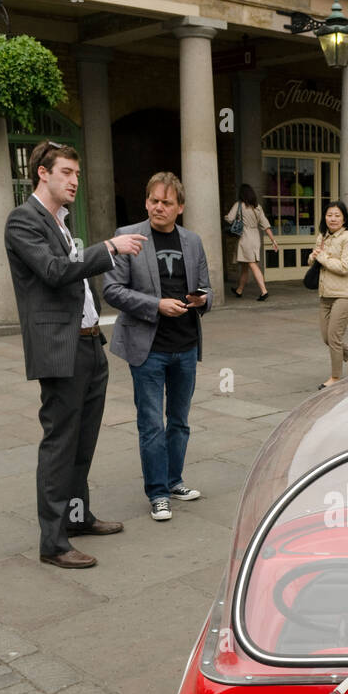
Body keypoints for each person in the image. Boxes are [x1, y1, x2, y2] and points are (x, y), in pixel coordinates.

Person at [4, 140, 145, 569]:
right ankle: (53, 542)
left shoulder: (63, 222)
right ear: (43, 173)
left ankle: (78, 517)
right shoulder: (23, 221)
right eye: (67, 172)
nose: (74, 181)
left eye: (78, 174)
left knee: (83, 441)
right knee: (60, 444)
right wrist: (109, 249)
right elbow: (52, 271)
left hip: (89, 342)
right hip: (60, 347)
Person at [103, 172, 211, 522]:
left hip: (185, 345)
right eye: (153, 200)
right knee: (151, 423)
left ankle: (174, 480)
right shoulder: (127, 237)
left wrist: (201, 300)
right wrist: (156, 305)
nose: (158, 207)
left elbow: (208, 290)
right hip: (147, 348)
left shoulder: (192, 241)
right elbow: (112, 290)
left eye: (166, 202)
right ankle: (158, 493)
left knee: (179, 421)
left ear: (180, 207)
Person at [307, 200, 348, 389]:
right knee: (327, 338)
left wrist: (323, 257)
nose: (333, 219)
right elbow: (313, 262)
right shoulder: (322, 237)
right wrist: (313, 256)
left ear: (344, 218)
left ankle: (336, 378)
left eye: (337, 215)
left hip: (344, 294)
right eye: (329, 215)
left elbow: (345, 267)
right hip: (325, 294)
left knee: (334, 336)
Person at [225, 183, 278, 300]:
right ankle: (239, 290)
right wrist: (273, 240)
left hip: (245, 238)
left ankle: (264, 291)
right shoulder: (258, 207)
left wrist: (226, 217)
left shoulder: (239, 205)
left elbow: (229, 218)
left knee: (252, 265)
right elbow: (266, 225)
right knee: (245, 266)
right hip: (255, 237)